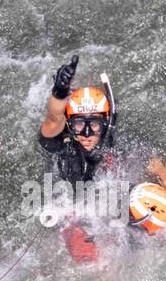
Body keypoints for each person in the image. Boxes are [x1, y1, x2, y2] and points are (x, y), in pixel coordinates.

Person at [38, 54, 114, 185]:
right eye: (79, 124)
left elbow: (151, 162)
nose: (86, 133)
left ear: (105, 123)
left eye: (95, 124)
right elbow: (54, 118)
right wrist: (59, 92)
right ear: (69, 123)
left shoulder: (111, 137)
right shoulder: (61, 144)